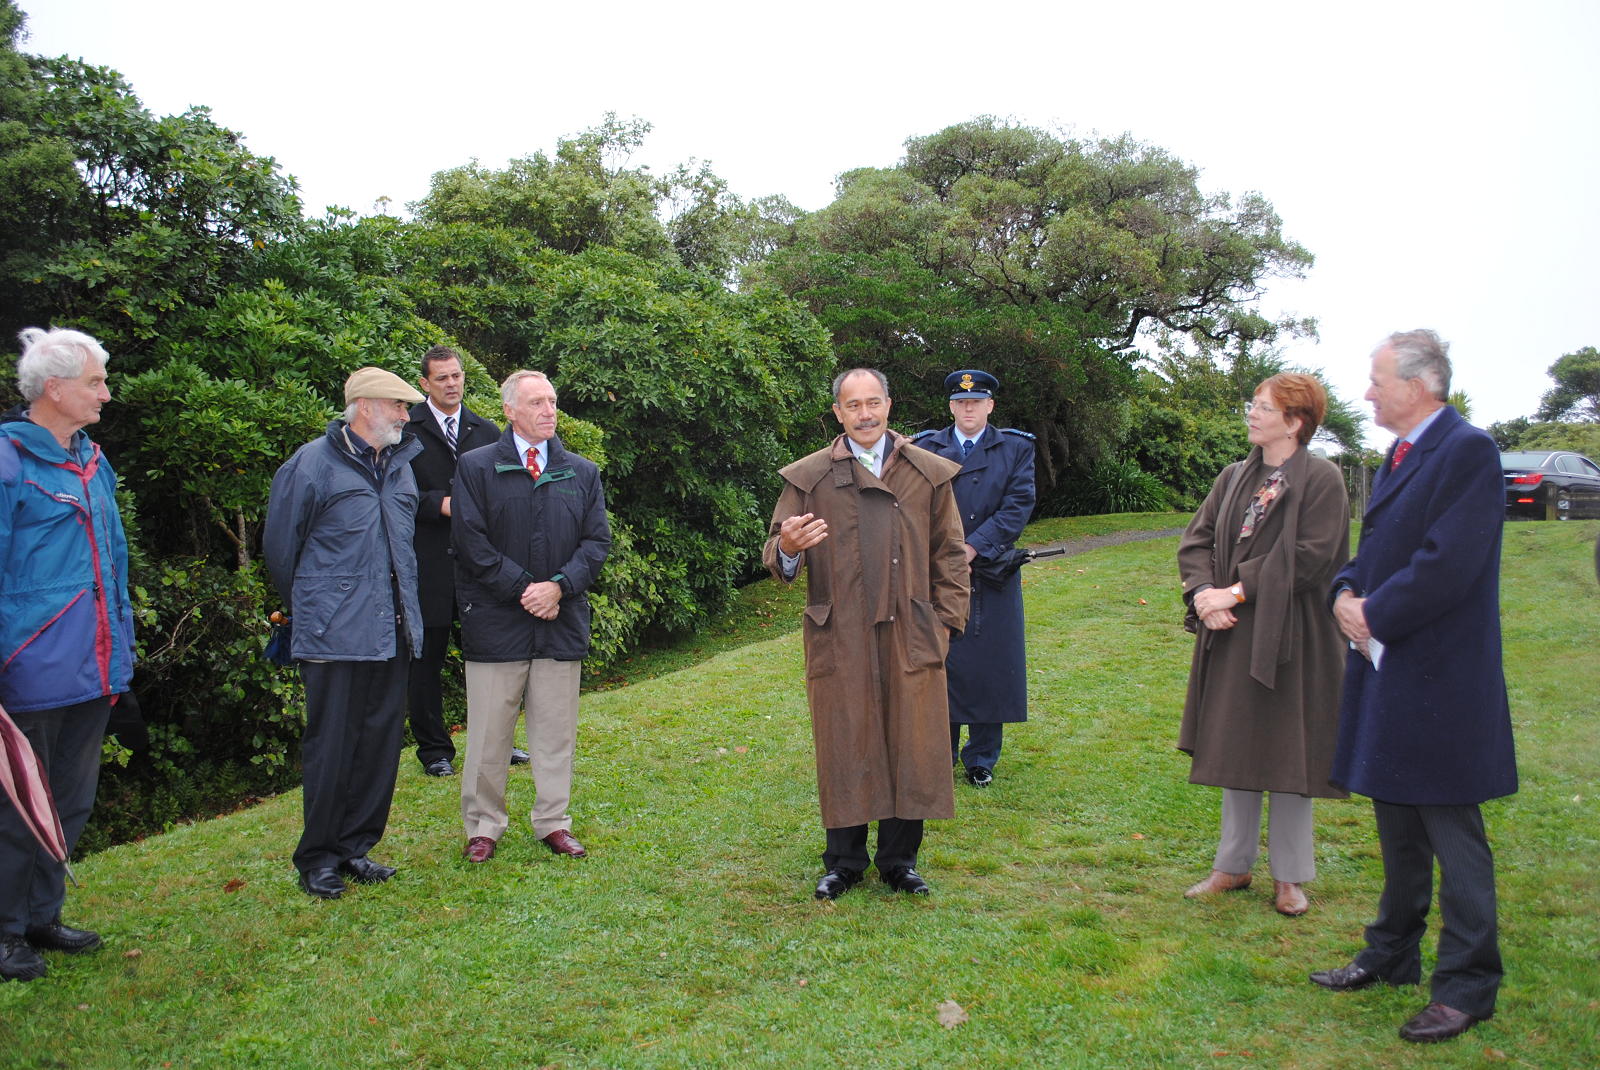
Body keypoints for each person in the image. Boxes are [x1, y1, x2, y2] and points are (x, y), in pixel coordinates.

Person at [1311, 330, 1517, 1044]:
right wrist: (1344, 593)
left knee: (1453, 834)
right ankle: (1391, 952)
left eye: (1376, 380)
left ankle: (1467, 986)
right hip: (1390, 669)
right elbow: (1376, 550)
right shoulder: (1402, 453)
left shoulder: (1467, 450)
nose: (1366, 393)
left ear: (1419, 385)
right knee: (1397, 821)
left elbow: (1446, 563)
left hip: (1439, 678)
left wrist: (1372, 615)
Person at [764, 368, 970, 900]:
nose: (864, 414)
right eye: (852, 405)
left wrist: (946, 623)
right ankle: (844, 862)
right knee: (846, 738)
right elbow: (775, 553)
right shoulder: (809, 477)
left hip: (912, 629)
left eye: (872, 402)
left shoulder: (926, 472)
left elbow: (950, 553)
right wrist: (788, 548)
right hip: (841, 633)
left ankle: (900, 861)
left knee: (911, 739)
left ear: (888, 405)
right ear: (838, 413)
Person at [1176, 373, 1350, 917]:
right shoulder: (1232, 476)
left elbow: (1310, 557)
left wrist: (1232, 591)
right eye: (1252, 404)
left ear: (1295, 422)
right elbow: (1196, 541)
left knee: (1290, 753)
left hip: (1295, 634)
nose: (1252, 414)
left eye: (1264, 407)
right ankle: (1232, 865)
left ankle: (1290, 876)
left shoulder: (1323, 479)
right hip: (1231, 630)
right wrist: (1203, 594)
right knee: (1238, 745)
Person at [1, 328, 135, 982]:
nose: (106, 394)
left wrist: (121, 648)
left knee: (68, 802)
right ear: (54, 389)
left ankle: (40, 916)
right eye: (95, 383)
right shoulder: (9, 462)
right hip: (29, 667)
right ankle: (5, 932)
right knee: (17, 809)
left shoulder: (92, 460)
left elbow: (114, 562)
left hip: (93, 664)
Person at [264, 367, 425, 900]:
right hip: (334, 634)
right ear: (365, 407)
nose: (405, 415)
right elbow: (281, 553)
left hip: (393, 629)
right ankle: (317, 859)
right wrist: (321, 611)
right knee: (331, 746)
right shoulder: (310, 465)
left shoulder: (401, 465)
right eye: (398, 405)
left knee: (379, 745)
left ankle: (356, 846)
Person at [451, 370, 610, 864]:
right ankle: (483, 827)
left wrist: (559, 587)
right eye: (536, 402)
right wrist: (526, 589)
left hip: (559, 622)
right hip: (495, 623)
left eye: (552, 401)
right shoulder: (476, 467)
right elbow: (470, 543)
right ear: (509, 411)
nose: (548, 411)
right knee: (488, 736)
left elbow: (596, 543)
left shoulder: (582, 472)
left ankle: (553, 822)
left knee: (555, 733)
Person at [915, 369, 1036, 788]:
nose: (968, 409)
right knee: (942, 661)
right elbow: (914, 504)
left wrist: (972, 548)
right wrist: (946, 555)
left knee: (990, 666)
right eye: (961, 402)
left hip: (990, 571)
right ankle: (940, 753)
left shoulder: (1016, 448)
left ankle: (982, 758)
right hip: (938, 573)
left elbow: (1018, 505)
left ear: (990, 406)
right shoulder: (926, 447)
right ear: (951, 407)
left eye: (976, 402)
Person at [404, 345, 519, 778]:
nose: (452, 384)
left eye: (457, 375)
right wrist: (441, 504)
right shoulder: (406, 431)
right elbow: (395, 494)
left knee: (492, 660)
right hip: (428, 566)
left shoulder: (486, 431)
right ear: (424, 383)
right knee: (425, 664)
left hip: (480, 566)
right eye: (442, 378)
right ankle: (435, 752)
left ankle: (498, 743)